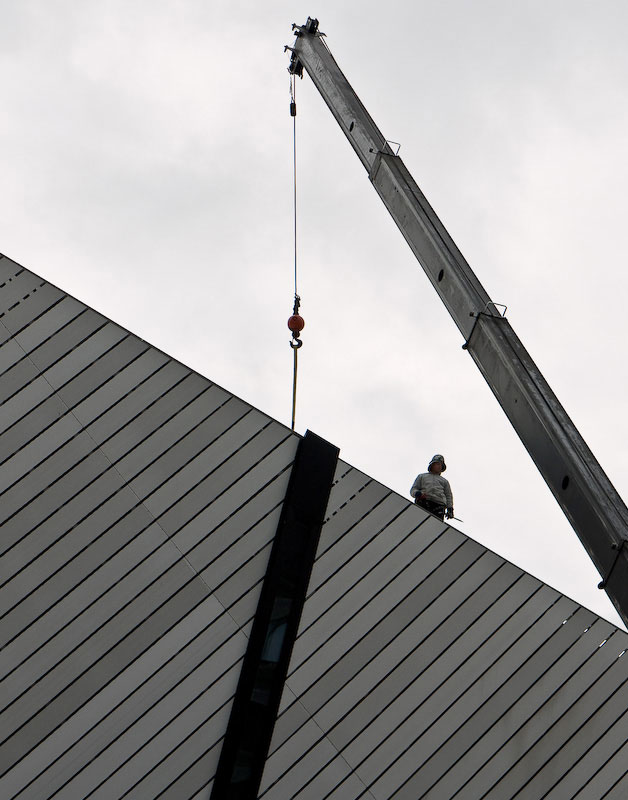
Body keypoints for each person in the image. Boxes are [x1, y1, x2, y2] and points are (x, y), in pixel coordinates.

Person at [410, 454, 454, 521]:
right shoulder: (422, 476)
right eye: (437, 464)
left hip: (439, 506)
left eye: (441, 465)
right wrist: (418, 494)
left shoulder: (444, 481)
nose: (439, 466)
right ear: (432, 465)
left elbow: (448, 496)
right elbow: (413, 489)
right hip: (423, 502)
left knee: (435, 526)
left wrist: (450, 508)